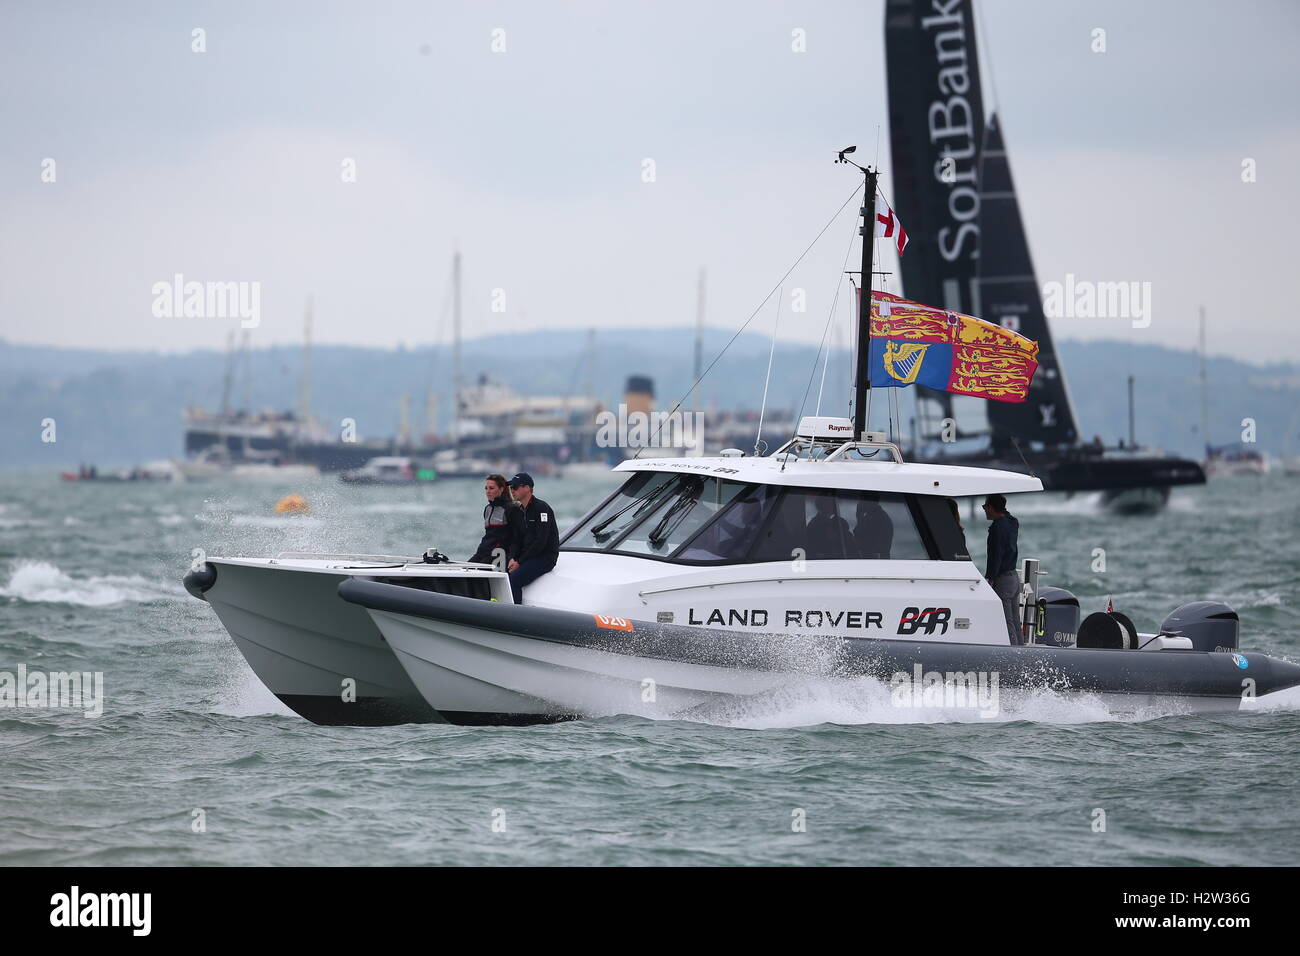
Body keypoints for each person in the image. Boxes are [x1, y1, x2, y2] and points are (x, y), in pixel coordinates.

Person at [507, 473, 559, 603]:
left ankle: (515, 615)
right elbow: (516, 540)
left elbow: (540, 542)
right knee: (501, 576)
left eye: (515, 487)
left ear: (527, 488)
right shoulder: (517, 511)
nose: (512, 490)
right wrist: (512, 558)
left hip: (545, 557)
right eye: (511, 487)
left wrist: (519, 562)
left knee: (513, 580)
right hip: (527, 557)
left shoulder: (542, 508)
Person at [983, 494, 1021, 644]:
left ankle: (1013, 656)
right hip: (1013, 579)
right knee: (1015, 621)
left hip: (1003, 579)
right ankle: (1022, 652)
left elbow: (996, 554)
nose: (984, 510)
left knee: (1006, 621)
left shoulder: (998, 527)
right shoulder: (1012, 522)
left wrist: (990, 577)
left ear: (991, 507)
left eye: (985, 507)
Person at [469, 474, 524, 570]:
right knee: (465, 569)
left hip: (500, 555)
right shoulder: (488, 509)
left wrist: (513, 558)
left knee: (477, 572)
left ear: (501, 489)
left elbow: (518, 537)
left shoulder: (511, 509)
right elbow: (489, 536)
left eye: (491, 488)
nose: (488, 491)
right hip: (483, 553)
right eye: (486, 488)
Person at [805, 491, 853, 559]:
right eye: (831, 502)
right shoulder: (815, 525)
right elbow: (817, 548)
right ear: (822, 504)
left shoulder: (838, 522)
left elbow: (849, 542)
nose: (834, 505)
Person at [854, 492, 894, 559]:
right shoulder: (878, 515)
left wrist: (859, 515)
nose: (859, 503)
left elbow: (860, 539)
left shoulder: (875, 517)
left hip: (874, 561)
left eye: (861, 500)